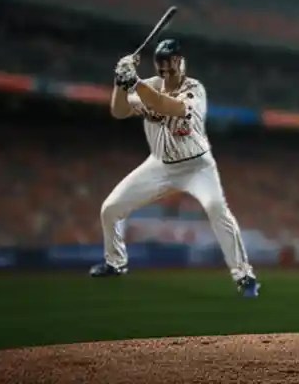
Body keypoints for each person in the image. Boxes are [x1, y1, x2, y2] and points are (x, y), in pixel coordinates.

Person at [91, 39, 260, 298]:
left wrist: (134, 83)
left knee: (217, 209)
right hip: (159, 166)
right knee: (110, 209)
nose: (168, 71)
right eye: (163, 66)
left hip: (197, 167)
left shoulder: (194, 88)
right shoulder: (150, 86)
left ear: (182, 63)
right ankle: (115, 263)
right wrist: (120, 83)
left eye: (172, 64)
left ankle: (244, 275)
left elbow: (169, 106)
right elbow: (119, 110)